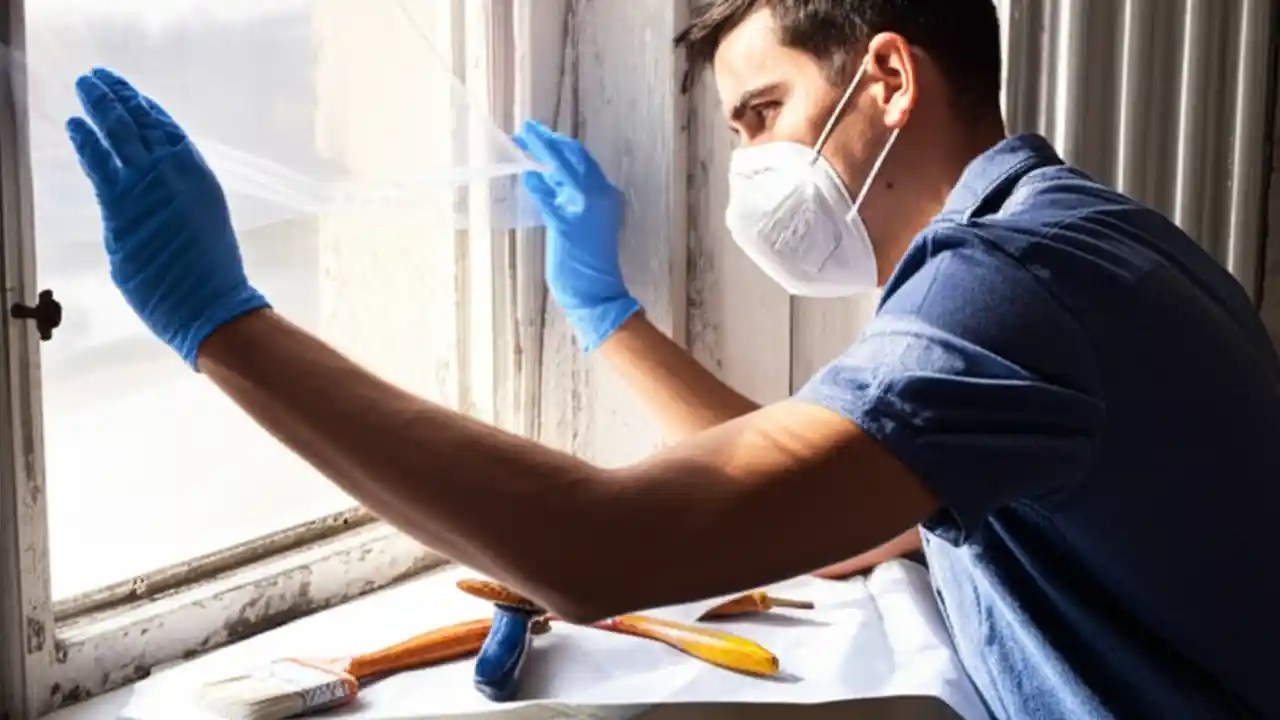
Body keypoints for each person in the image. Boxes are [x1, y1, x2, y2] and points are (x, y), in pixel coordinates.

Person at [62, 0, 1278, 716]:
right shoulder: (1061, 236)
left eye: (760, 116)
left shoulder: (1007, 286)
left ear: (888, 78)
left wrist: (225, 326)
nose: (748, 164)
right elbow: (843, 516)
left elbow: (604, 552)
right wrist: (600, 310)